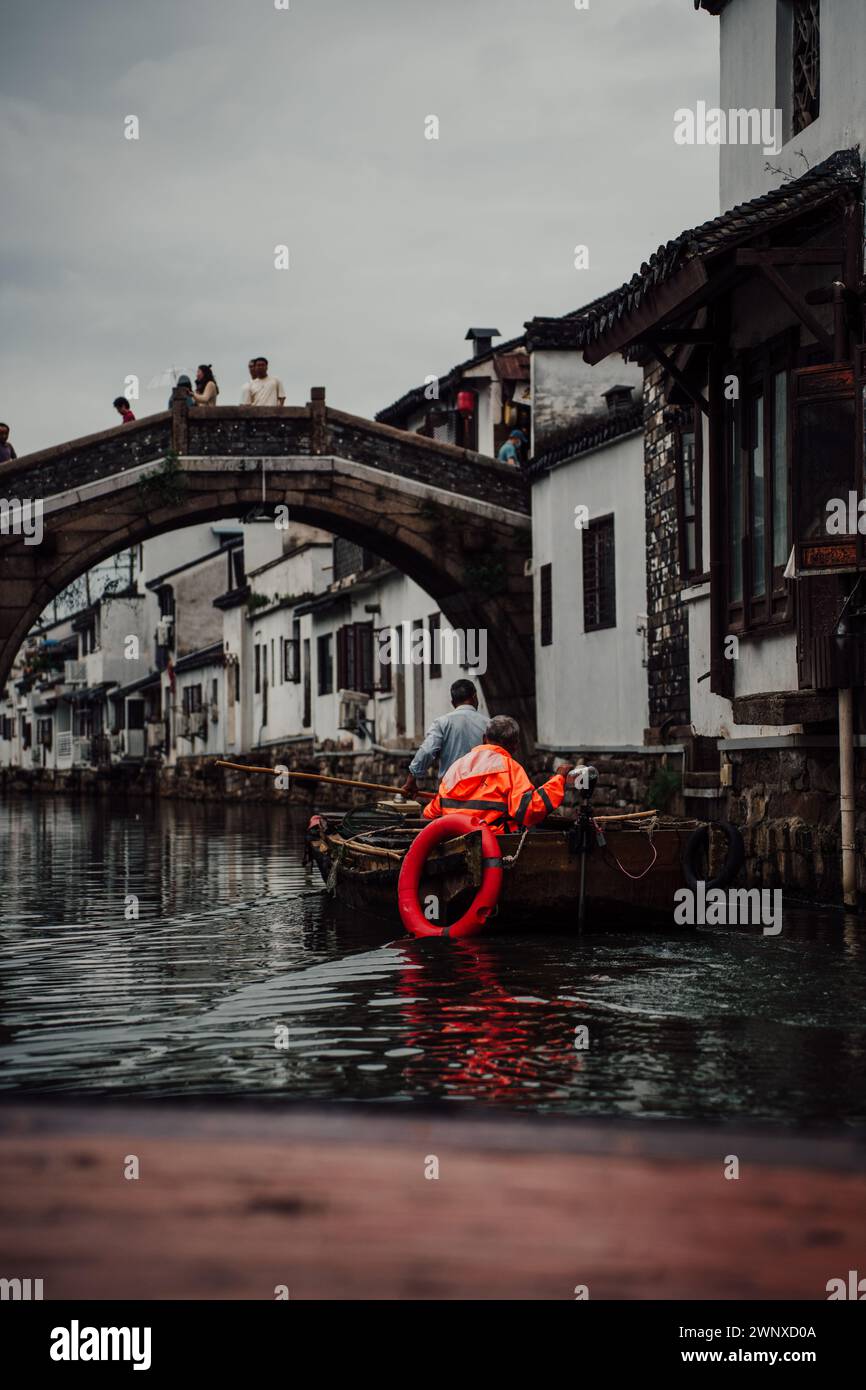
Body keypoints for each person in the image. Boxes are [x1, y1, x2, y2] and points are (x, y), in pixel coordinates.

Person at [422, 714, 581, 835]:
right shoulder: (511, 769)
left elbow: (431, 813)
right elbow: (529, 810)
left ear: (484, 739)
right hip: (494, 848)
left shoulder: (456, 767)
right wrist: (558, 779)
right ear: (515, 746)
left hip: (453, 841)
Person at [399, 679, 487, 799]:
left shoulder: (442, 723)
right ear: (475, 697)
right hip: (482, 792)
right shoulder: (489, 724)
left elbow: (427, 751)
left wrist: (411, 780)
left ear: (452, 702)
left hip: (451, 792)